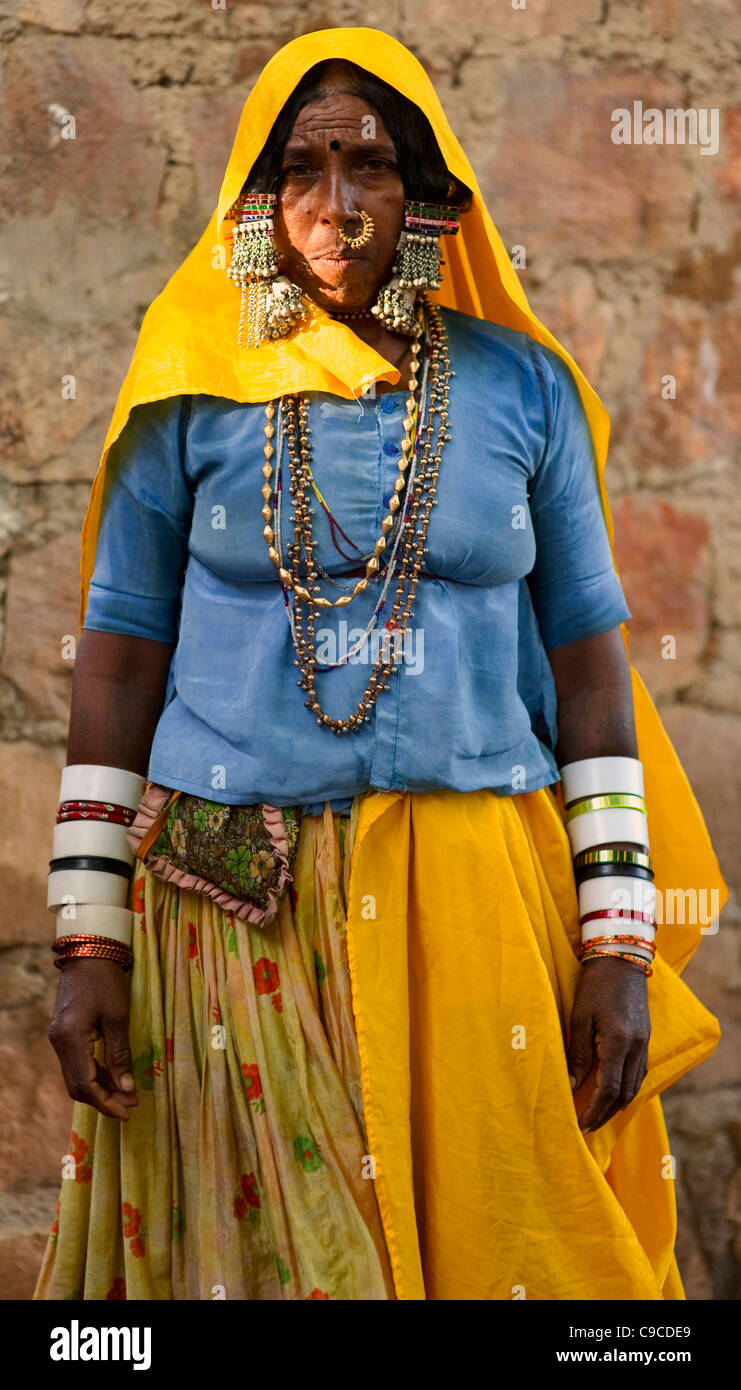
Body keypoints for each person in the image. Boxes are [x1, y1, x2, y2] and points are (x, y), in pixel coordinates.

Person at [34, 27, 726, 1302]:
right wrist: (87, 940)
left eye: (370, 165)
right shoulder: (189, 394)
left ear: (424, 197)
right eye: (302, 168)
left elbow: (587, 668)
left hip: (469, 895)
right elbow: (121, 664)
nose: (336, 204)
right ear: (258, 201)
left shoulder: (525, 393)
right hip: (233, 907)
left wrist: (618, 940)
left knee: (509, 1241)